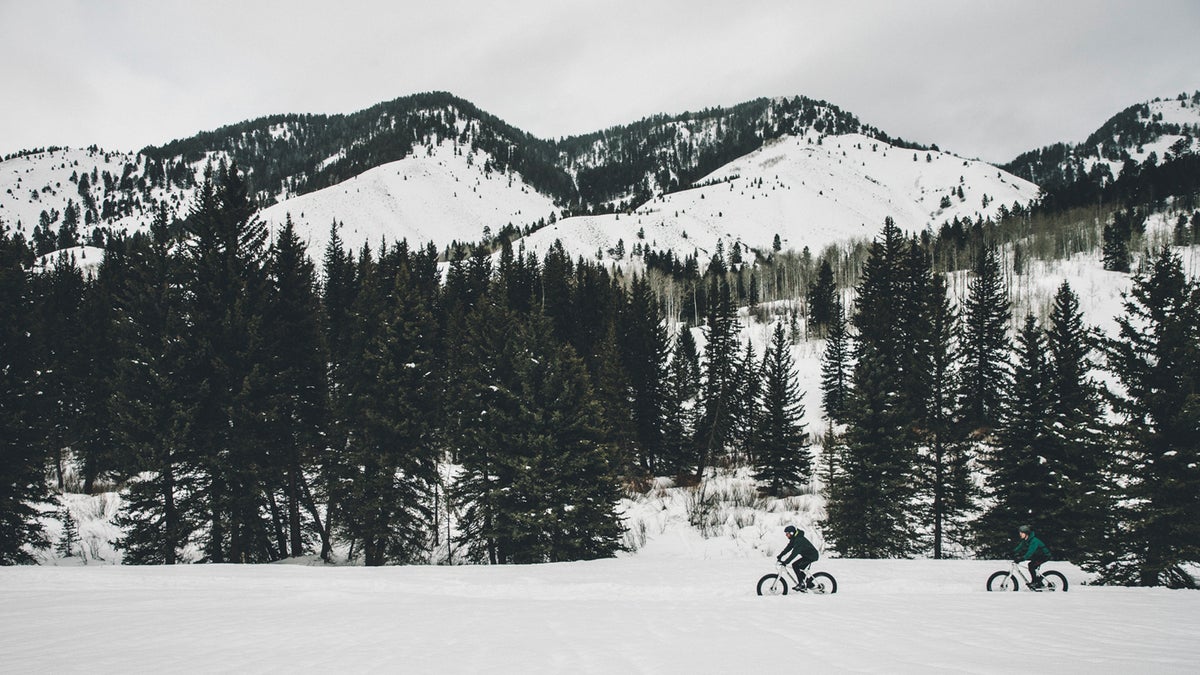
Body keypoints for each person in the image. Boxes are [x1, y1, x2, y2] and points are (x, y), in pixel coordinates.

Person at [776, 525, 819, 592]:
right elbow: (788, 548)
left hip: (812, 556)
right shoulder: (794, 538)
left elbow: (794, 553)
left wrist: (786, 562)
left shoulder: (799, 540)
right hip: (807, 556)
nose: (786, 535)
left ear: (792, 533)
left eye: (787, 533)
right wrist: (780, 555)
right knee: (798, 568)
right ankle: (809, 584)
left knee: (796, 566)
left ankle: (801, 584)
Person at [1012, 525, 1052, 589]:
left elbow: (1030, 552)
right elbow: (1020, 547)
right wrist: (1012, 552)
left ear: (1026, 534)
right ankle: (1038, 582)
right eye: (1020, 533)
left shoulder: (1034, 541)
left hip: (1045, 556)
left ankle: (1035, 582)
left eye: (1022, 533)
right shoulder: (1026, 540)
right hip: (1038, 555)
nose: (1020, 534)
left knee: (1031, 565)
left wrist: (1022, 558)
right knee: (1031, 565)